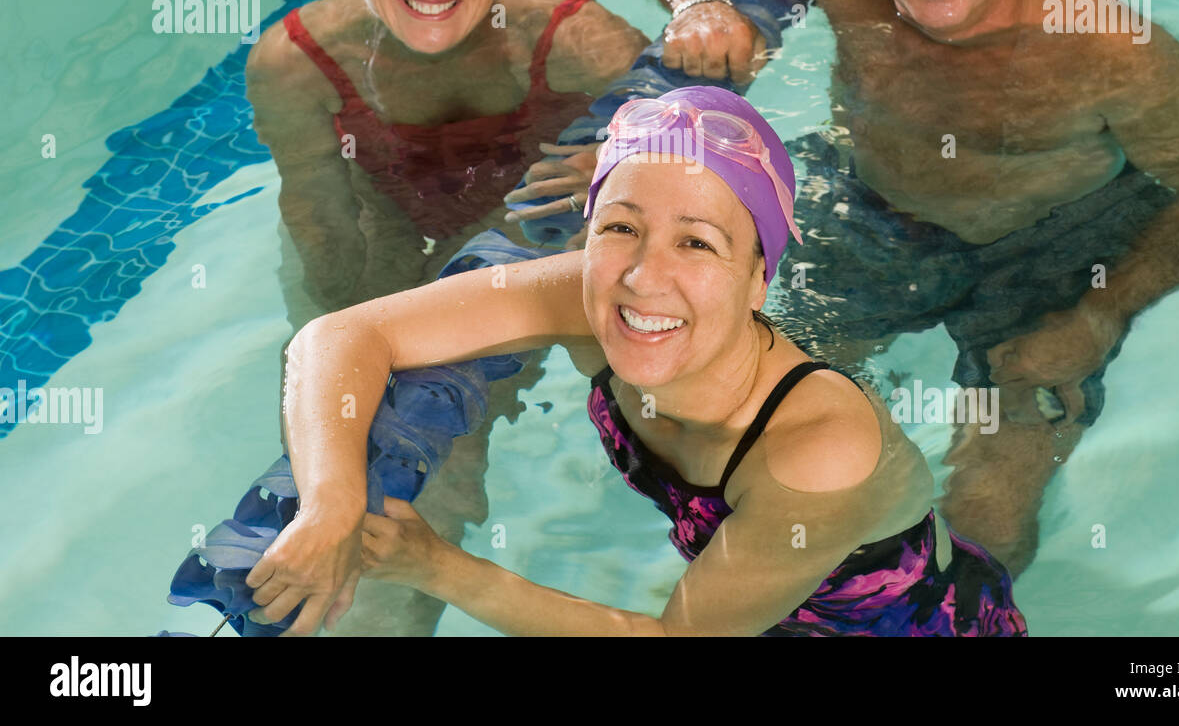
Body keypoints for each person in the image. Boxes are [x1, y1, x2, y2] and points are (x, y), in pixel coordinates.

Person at [613, 0, 1179, 576]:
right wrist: (696, 0)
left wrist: (1102, 312)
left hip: (1052, 248)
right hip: (875, 212)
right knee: (735, 429)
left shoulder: (1110, 51)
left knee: (989, 515)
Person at [246, 86, 1028, 637]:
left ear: (759, 278)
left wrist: (439, 569)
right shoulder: (597, 292)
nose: (644, 275)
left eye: (697, 242)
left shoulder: (820, 451)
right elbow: (337, 338)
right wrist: (331, 502)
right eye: (620, 227)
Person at [243, 0, 648, 634]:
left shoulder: (565, 34)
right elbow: (321, 226)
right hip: (376, 215)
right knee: (343, 401)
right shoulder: (297, 62)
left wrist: (623, 155)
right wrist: (358, 357)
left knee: (447, 443)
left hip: (513, 217)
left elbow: (702, 115)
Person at [246, 0, 648, 322]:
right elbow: (318, 214)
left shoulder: (567, 33)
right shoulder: (296, 60)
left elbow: (705, 127)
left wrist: (626, 166)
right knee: (328, 345)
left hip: (520, 205)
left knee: (477, 348)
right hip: (383, 211)